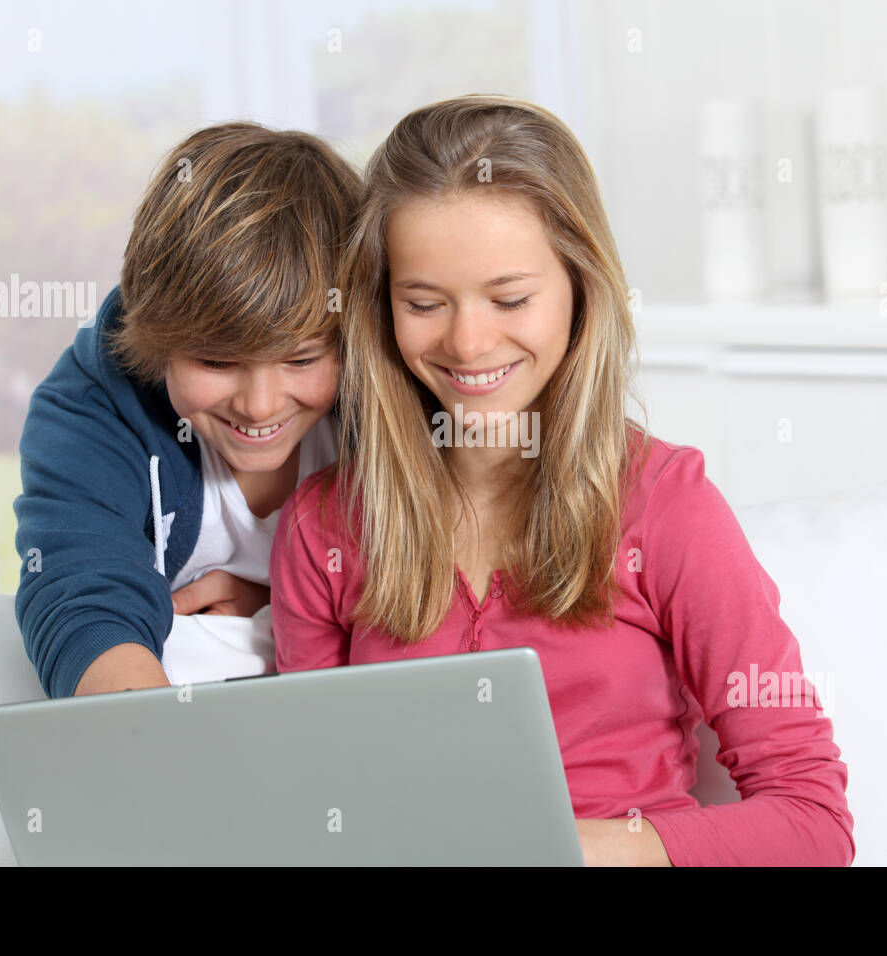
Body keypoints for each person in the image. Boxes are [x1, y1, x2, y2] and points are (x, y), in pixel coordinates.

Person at [269, 95, 855, 866]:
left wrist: (566, 850)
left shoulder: (664, 505)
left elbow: (812, 823)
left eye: (510, 298)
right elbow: (312, 806)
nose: (469, 342)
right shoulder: (324, 527)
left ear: (581, 291)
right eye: (423, 303)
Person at [15, 122, 361, 699]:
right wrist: (154, 760)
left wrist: (289, 601)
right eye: (218, 363)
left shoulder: (387, 398)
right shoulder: (88, 410)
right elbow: (82, 597)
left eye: (301, 360)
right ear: (156, 339)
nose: (259, 405)